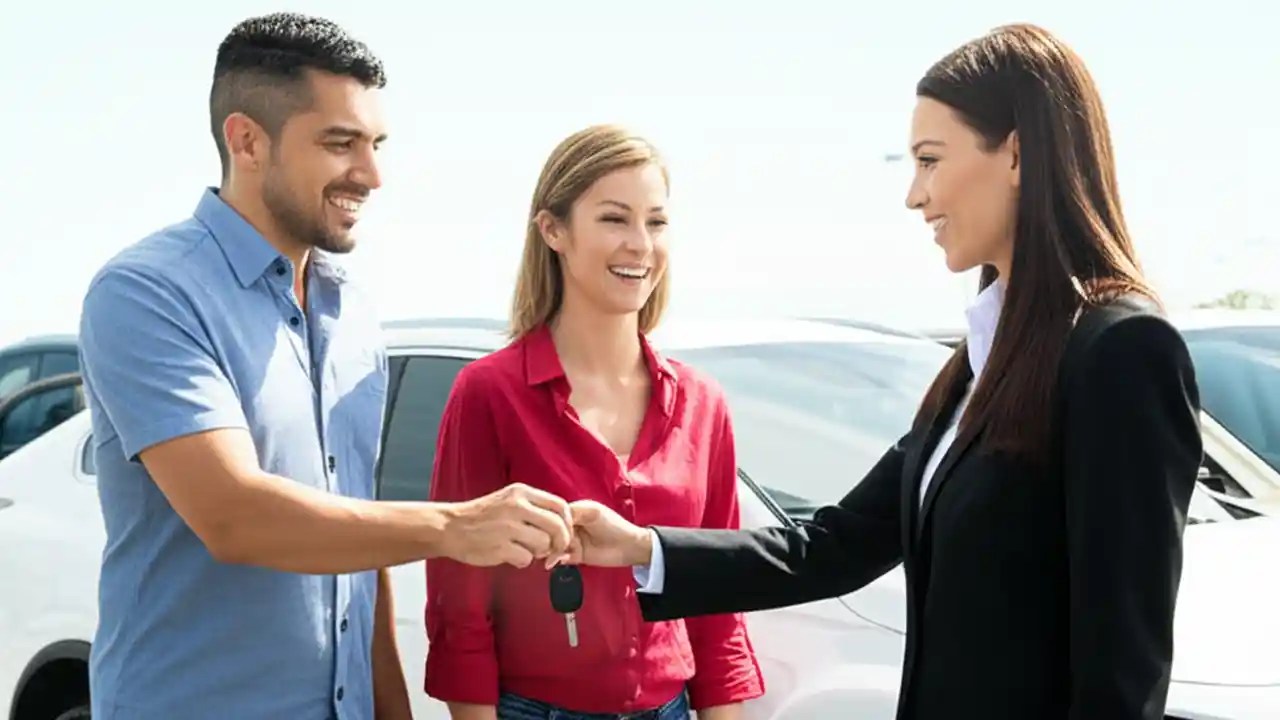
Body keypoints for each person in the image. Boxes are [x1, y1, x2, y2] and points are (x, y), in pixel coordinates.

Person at [566, 24, 1203, 720]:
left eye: (930, 160)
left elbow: (1123, 668)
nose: (914, 195)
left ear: (1017, 152)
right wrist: (638, 547)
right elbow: (832, 546)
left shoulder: (1120, 351)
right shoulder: (984, 359)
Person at [77, 13, 572, 720]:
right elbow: (234, 516)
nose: (371, 175)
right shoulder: (147, 293)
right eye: (341, 144)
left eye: (376, 144)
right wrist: (454, 526)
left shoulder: (352, 311)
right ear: (246, 140)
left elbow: (357, 537)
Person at [423, 125, 765, 720]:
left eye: (656, 222)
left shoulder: (703, 403)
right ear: (553, 230)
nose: (640, 244)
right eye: (614, 219)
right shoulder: (489, 394)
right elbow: (460, 608)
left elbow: (719, 602)